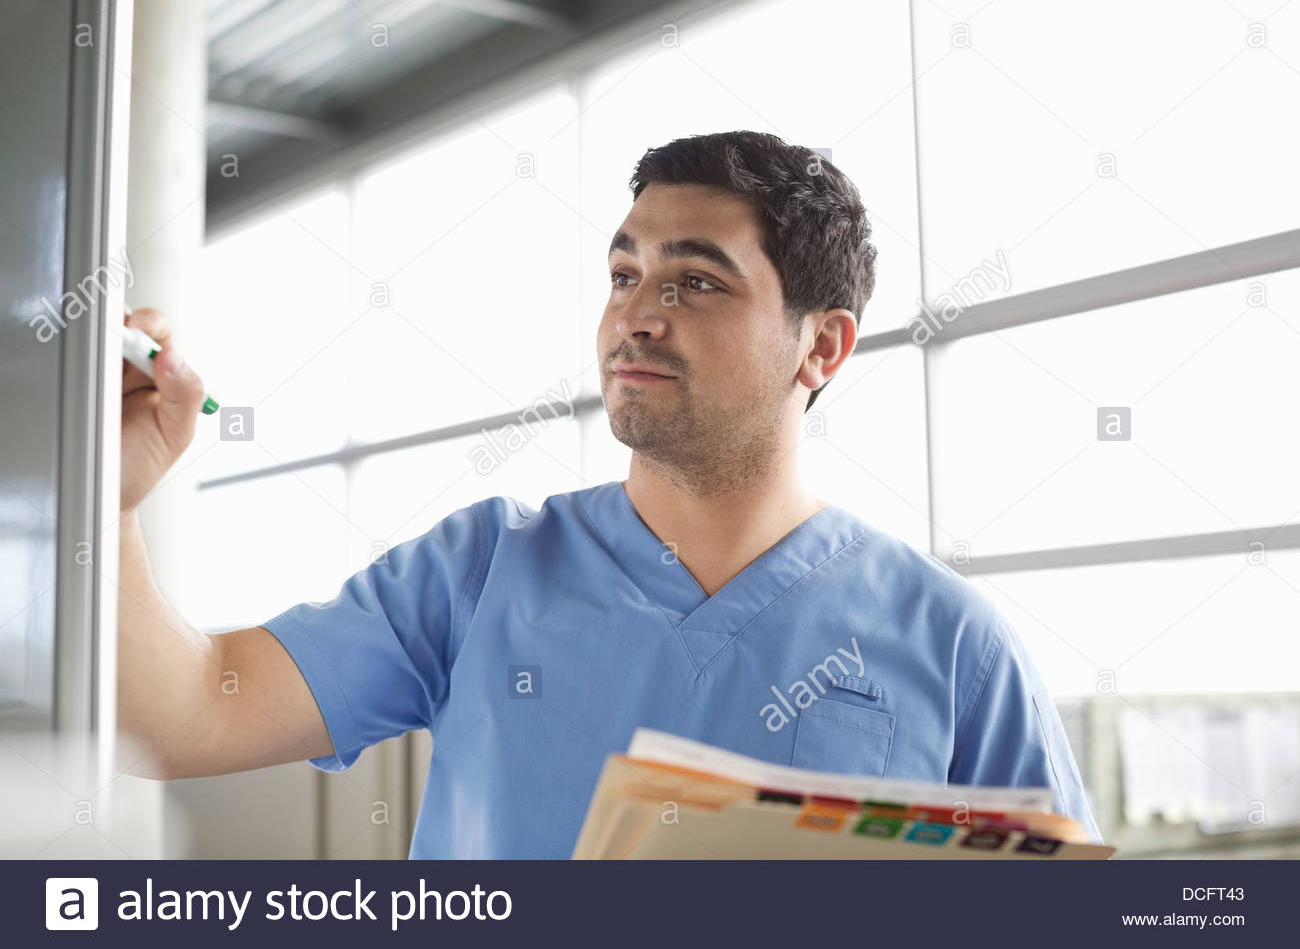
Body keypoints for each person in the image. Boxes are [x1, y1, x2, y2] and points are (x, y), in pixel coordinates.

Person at [119, 129, 1102, 858]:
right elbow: (178, 717)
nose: (636, 314)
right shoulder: (479, 574)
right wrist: (114, 505)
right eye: (624, 273)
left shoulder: (953, 643)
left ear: (823, 343)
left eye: (696, 283)